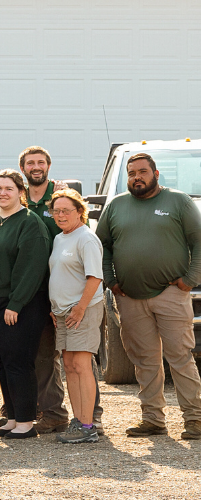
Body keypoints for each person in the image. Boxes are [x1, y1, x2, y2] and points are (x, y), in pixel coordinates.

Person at [96, 152, 201, 440]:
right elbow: (102, 244)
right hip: (129, 297)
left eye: (142, 171)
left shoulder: (178, 201)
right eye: (131, 173)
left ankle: (195, 419)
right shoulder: (117, 205)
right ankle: (153, 419)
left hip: (171, 293)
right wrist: (111, 280)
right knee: (144, 360)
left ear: (155, 173)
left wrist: (191, 279)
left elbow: (199, 241)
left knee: (180, 357)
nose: (136, 177)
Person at [0, 169, 52, 439]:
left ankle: (26, 422)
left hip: (20, 305)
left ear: (21, 191)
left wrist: (16, 303)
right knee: (1, 360)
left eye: (9, 188)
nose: (2, 193)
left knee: (18, 361)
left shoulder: (30, 223)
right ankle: (11, 417)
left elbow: (32, 268)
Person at [15, 146, 74, 434]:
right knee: (40, 353)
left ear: (49, 166)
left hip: (62, 287)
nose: (35, 167)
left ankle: (91, 416)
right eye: (30, 163)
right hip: (32, 288)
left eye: (40, 162)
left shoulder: (62, 196)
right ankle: (50, 411)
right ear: (23, 168)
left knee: (77, 354)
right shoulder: (19, 198)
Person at [47, 189, 106, 444]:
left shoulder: (86, 239)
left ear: (80, 212)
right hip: (63, 312)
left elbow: (94, 277)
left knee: (82, 366)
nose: (60, 215)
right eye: (56, 211)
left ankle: (87, 425)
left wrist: (80, 308)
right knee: (69, 366)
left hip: (83, 310)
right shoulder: (60, 238)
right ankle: (78, 420)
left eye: (66, 210)